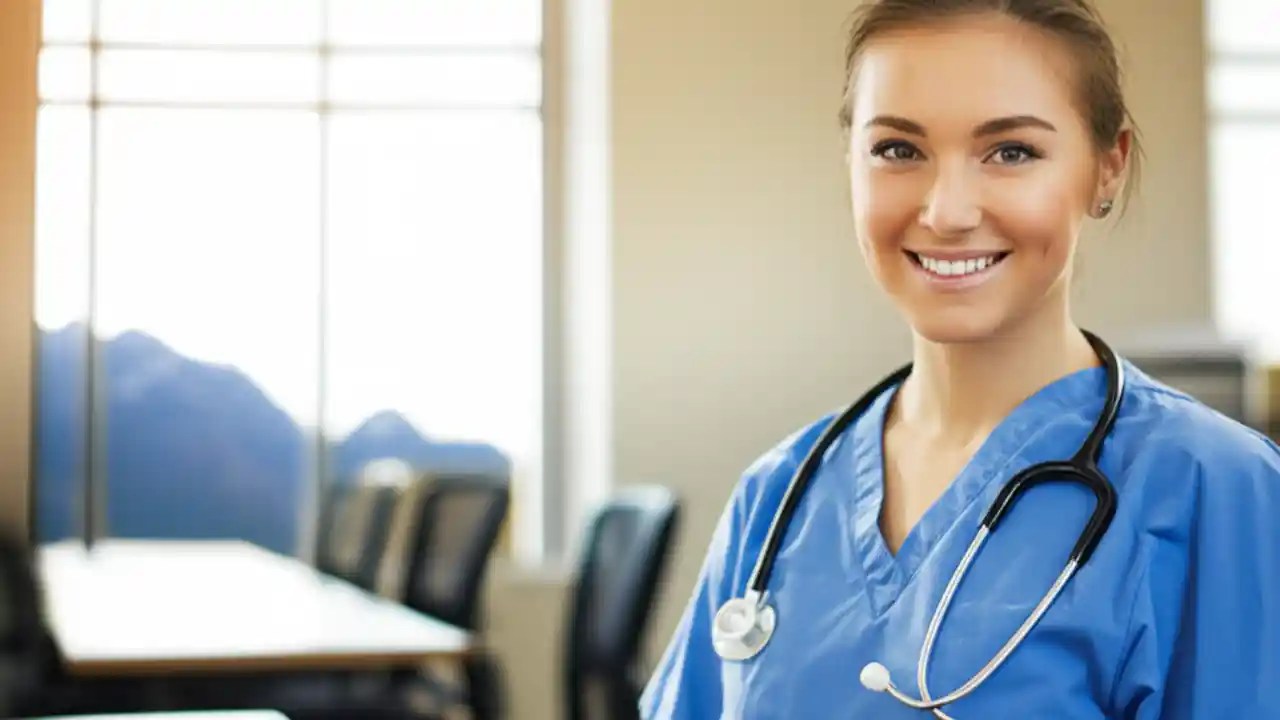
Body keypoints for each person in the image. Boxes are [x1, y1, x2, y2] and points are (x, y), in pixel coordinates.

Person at [639, 0, 1280, 717]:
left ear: (1107, 167)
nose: (946, 211)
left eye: (1011, 152)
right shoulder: (779, 495)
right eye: (898, 150)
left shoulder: (1214, 490)